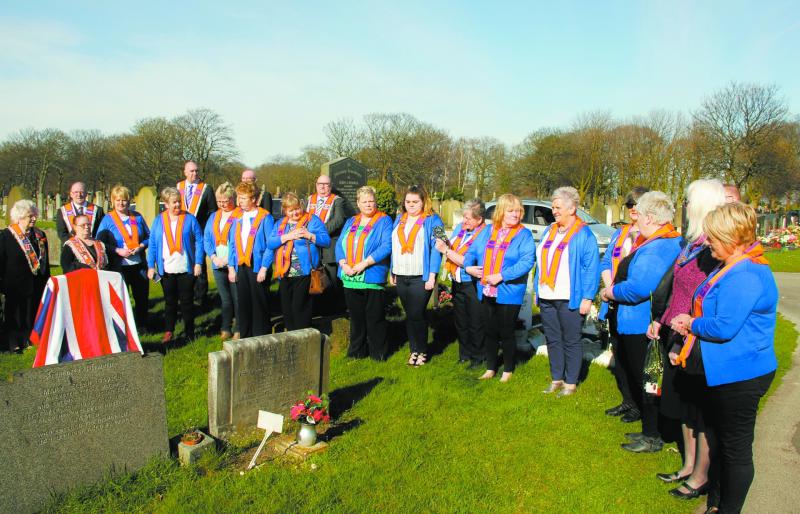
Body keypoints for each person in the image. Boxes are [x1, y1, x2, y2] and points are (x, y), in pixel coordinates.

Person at [670, 202, 777, 514]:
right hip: (726, 372)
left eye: (714, 237)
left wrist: (691, 323)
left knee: (735, 451)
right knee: (719, 443)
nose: (709, 243)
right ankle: (715, 504)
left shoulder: (746, 274)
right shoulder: (729, 267)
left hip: (742, 375)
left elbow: (723, 327)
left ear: (733, 238)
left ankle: (728, 508)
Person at [647, 179, 726, 499]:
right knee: (683, 405)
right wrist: (661, 320)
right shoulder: (692, 242)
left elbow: (702, 298)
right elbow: (677, 289)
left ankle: (701, 475)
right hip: (675, 329)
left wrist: (683, 337)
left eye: (689, 200)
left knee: (698, 410)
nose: (685, 205)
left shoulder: (713, 247)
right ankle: (688, 464)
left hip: (693, 337)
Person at [600, 191, 682, 453]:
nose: (636, 220)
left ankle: (653, 435)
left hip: (640, 324)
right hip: (642, 321)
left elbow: (638, 288)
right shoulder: (668, 240)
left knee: (647, 380)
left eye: (640, 215)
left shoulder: (657, 248)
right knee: (645, 379)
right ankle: (649, 429)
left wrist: (610, 292)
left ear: (649, 217)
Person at [534, 187, 600, 395]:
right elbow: (541, 262)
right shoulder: (550, 230)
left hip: (570, 296)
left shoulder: (584, 234)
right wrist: (537, 289)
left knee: (571, 339)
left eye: (558, 207)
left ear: (572, 209)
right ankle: (557, 378)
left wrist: (587, 297)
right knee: (552, 339)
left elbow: (591, 268)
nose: (553, 211)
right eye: (553, 207)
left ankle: (571, 382)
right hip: (547, 294)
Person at [464, 194, 535, 382]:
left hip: (509, 291)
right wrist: (468, 267)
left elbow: (527, 261)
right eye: (511, 211)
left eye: (518, 211)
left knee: (506, 332)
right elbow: (471, 251)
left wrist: (502, 276)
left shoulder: (524, 234)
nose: (516, 214)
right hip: (487, 289)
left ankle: (508, 370)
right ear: (501, 212)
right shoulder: (488, 230)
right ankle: (491, 368)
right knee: (490, 331)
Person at [600, 186, 649, 420]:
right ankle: (627, 400)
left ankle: (642, 405)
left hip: (634, 305)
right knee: (619, 353)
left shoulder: (650, 236)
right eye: (629, 205)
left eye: (637, 205)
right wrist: (609, 289)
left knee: (635, 358)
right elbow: (605, 262)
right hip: (614, 300)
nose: (632, 209)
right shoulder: (620, 233)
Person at [336, 186, 393, 360]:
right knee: (356, 319)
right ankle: (356, 352)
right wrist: (343, 264)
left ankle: (378, 354)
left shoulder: (384, 220)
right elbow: (339, 244)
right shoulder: (351, 221)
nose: (368, 204)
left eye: (371, 201)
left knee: (375, 318)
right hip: (349, 277)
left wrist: (364, 263)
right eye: (365, 201)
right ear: (358, 203)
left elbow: (387, 246)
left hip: (371, 275)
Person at [390, 184, 444, 367]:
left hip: (421, 276)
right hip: (401, 274)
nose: (411, 205)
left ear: (423, 202)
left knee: (417, 314)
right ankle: (413, 350)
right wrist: (392, 270)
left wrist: (432, 275)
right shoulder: (399, 218)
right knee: (409, 314)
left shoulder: (434, 220)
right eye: (408, 201)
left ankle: (422, 351)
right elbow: (395, 245)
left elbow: (439, 247)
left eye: (415, 201)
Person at [435, 199, 488, 367]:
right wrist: (443, 241)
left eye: (468, 218)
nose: (464, 221)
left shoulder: (485, 234)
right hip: (456, 281)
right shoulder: (460, 228)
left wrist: (446, 251)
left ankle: (478, 357)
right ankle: (464, 354)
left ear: (479, 219)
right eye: (464, 217)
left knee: (475, 322)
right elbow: (451, 245)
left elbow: (467, 261)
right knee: (461, 321)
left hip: (473, 283)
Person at [147, 187, 204, 342]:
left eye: (179, 201)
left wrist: (198, 263)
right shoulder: (158, 221)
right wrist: (151, 266)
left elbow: (199, 241)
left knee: (187, 302)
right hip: (166, 269)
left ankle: (189, 331)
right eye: (174, 202)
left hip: (186, 268)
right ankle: (169, 331)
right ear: (166, 204)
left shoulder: (190, 219)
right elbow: (152, 244)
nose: (178, 205)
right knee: (169, 302)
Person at [268, 193, 330, 331]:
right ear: (285, 210)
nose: (295, 213)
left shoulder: (312, 220)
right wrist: (287, 236)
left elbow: (326, 241)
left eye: (297, 208)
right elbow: (271, 243)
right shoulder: (281, 224)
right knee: (287, 309)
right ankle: (292, 336)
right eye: (291, 210)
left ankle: (303, 336)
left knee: (300, 308)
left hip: (304, 272)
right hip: (284, 273)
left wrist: (310, 235)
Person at [96, 185, 150, 330]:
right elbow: (99, 243)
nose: (121, 203)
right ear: (113, 201)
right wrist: (117, 250)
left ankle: (142, 325)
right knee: (121, 298)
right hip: (119, 266)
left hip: (138, 265)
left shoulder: (137, 217)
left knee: (141, 297)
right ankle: (123, 327)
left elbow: (149, 236)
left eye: (124, 200)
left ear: (129, 201)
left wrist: (141, 246)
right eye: (118, 200)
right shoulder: (107, 220)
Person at [0, 200, 50, 352]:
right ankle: (13, 342)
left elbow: (45, 261)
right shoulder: (6, 236)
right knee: (15, 314)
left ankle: (29, 339)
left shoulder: (40, 235)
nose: (34, 218)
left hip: (36, 282)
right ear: (20, 217)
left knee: (31, 312)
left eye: (35, 215)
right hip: (14, 283)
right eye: (30, 216)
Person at [228, 182, 275, 338]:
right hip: (241, 264)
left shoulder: (265, 217)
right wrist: (231, 267)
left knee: (259, 302)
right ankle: (245, 336)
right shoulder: (237, 217)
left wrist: (264, 268)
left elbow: (270, 245)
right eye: (239, 197)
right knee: (244, 302)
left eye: (243, 198)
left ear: (253, 199)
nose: (239, 201)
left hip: (258, 264)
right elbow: (232, 244)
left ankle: (261, 336)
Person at [203, 182, 240, 340]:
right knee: (225, 299)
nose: (222, 204)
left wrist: (228, 259)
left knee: (237, 298)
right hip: (217, 263)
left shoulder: (240, 215)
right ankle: (225, 327)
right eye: (219, 201)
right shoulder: (213, 216)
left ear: (233, 198)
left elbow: (241, 241)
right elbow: (207, 239)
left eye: (225, 201)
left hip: (234, 263)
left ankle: (238, 328)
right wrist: (213, 257)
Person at [177, 160, 217, 306]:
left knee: (199, 264)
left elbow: (212, 212)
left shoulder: (206, 189)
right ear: (185, 172)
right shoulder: (178, 187)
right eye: (191, 171)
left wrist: (206, 232)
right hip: (181, 234)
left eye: (196, 171)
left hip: (200, 233)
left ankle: (200, 299)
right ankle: (185, 295)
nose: (195, 173)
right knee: (183, 263)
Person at [307, 174, 348, 312]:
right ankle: (317, 306)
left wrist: (320, 234)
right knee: (314, 275)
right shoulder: (309, 200)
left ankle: (335, 308)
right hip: (311, 245)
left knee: (331, 277)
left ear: (330, 186)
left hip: (329, 244)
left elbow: (338, 220)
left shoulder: (338, 201)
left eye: (326, 184)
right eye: (320, 184)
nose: (323, 187)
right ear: (316, 185)